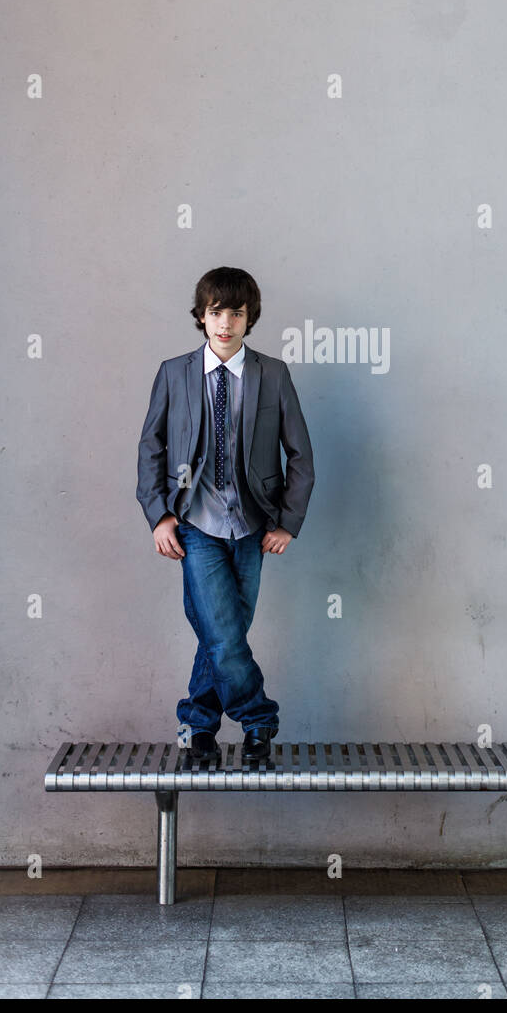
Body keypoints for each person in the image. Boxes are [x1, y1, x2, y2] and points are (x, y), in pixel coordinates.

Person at [136, 266, 315, 764]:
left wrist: (287, 522)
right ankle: (259, 720)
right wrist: (158, 515)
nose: (226, 323)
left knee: (222, 635)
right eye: (217, 312)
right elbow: (150, 447)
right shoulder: (174, 373)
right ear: (202, 315)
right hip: (196, 525)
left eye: (236, 313)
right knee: (222, 631)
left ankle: (198, 724)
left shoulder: (273, 374)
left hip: (254, 526)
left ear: (248, 318)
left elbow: (301, 455)